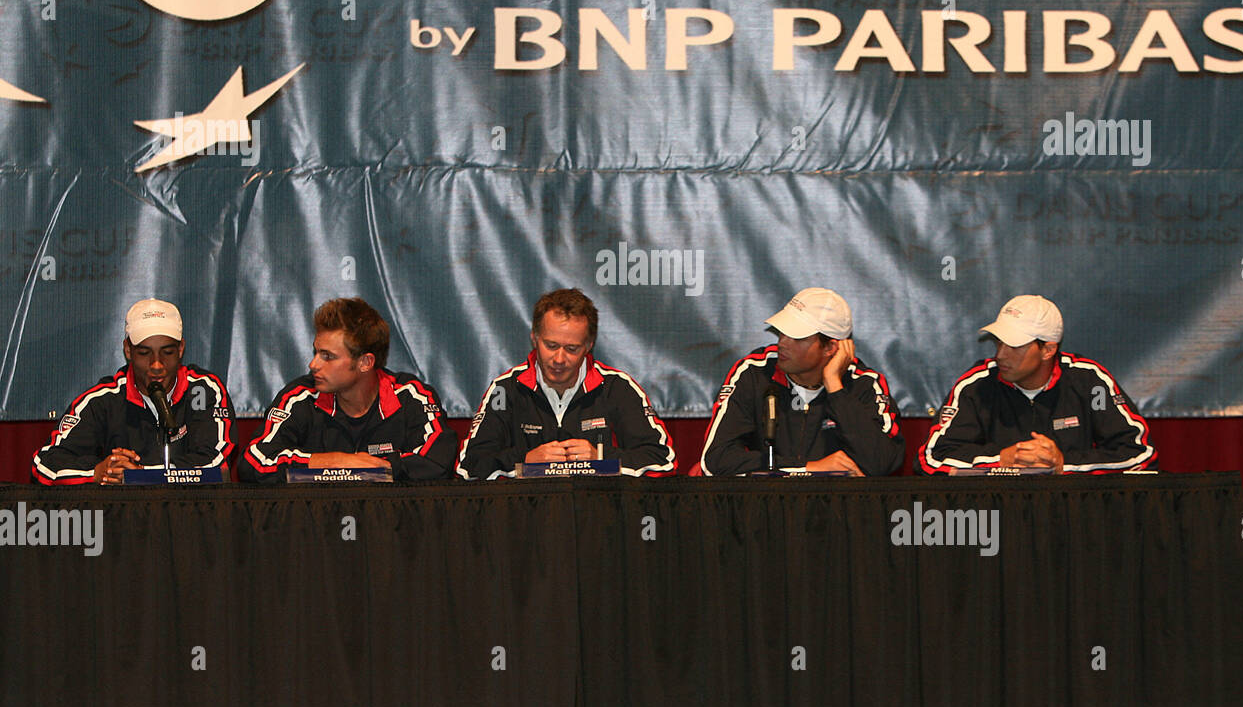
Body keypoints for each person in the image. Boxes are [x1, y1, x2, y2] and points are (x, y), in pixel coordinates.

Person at [917, 294, 1156, 474]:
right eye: (999, 343)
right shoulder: (976, 386)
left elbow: (1140, 453)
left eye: (1015, 345)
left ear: (1048, 350)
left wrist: (1064, 464)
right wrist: (1001, 460)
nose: (1001, 355)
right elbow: (931, 458)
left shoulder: (1089, 381)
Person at [456, 288, 675, 479]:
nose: (559, 359)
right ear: (534, 339)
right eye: (551, 345)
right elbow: (469, 467)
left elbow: (663, 462)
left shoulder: (618, 389)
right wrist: (524, 463)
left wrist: (600, 460)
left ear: (589, 345)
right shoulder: (505, 391)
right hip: (528, 522)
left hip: (599, 522)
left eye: (571, 349)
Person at [240, 297, 457, 482]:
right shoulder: (301, 395)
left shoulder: (410, 395)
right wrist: (335, 461)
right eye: (315, 352)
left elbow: (438, 460)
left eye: (328, 356)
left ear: (365, 363)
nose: (313, 364)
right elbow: (253, 461)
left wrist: (376, 467)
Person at [700, 288, 904, 476]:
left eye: (797, 337)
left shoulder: (864, 384)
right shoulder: (755, 372)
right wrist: (806, 468)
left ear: (830, 347)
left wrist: (835, 388)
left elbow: (882, 464)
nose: (782, 343)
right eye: (782, 332)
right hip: (769, 508)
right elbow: (715, 460)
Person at [32, 298, 236, 484]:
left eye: (167, 352)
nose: (157, 364)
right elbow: (45, 464)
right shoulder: (103, 400)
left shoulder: (203, 390)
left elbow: (215, 465)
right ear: (128, 350)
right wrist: (99, 472)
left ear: (181, 349)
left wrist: (139, 475)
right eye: (144, 353)